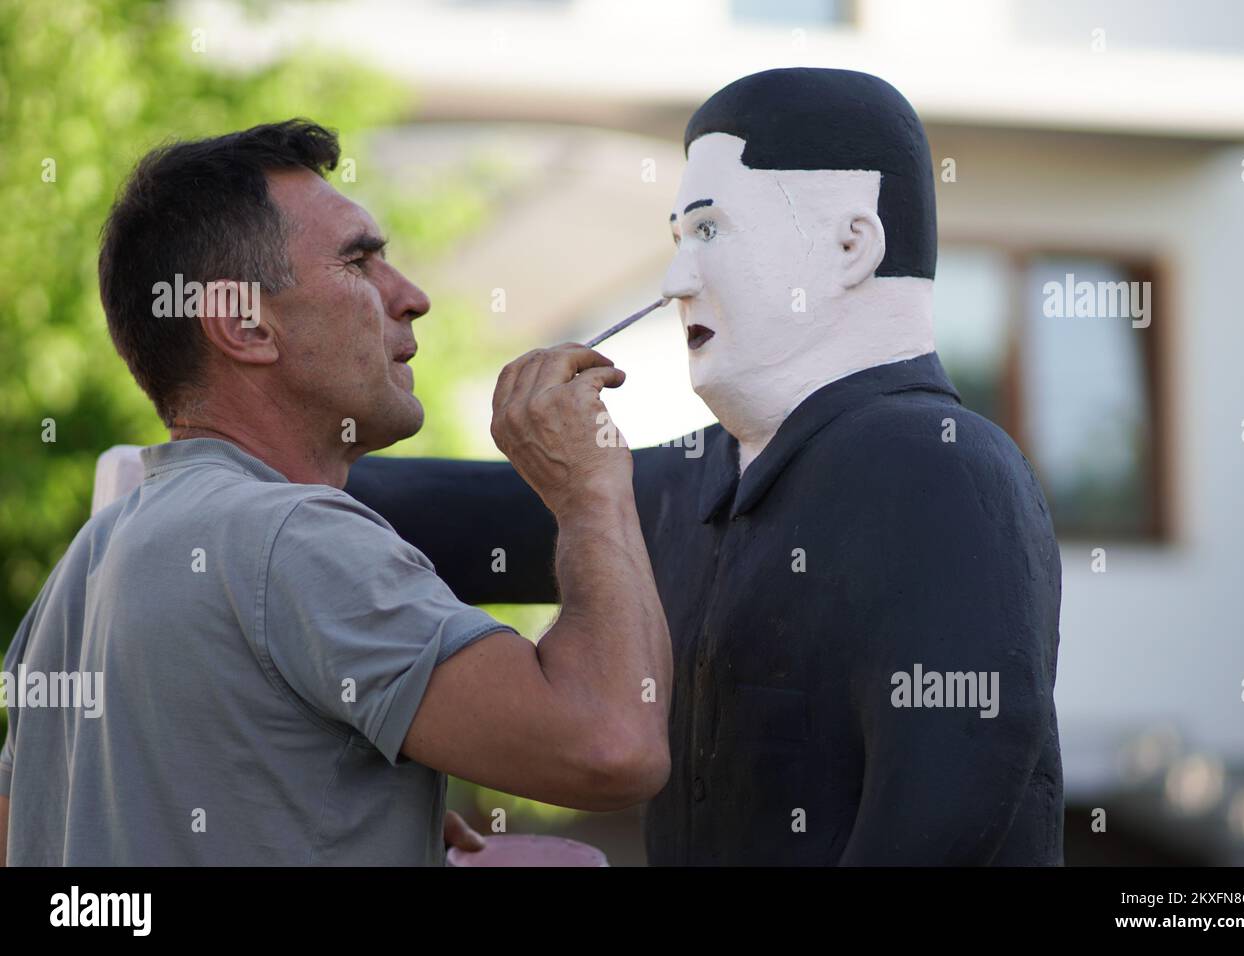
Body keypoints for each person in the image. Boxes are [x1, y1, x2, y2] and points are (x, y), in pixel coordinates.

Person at [346, 69, 1065, 865]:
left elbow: (944, 815)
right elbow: (429, 516)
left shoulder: (940, 469)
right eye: (677, 240)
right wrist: (229, 467)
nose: (676, 281)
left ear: (852, 245)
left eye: (711, 231)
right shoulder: (697, 478)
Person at [0, 120, 671, 865]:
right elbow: (612, 745)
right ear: (245, 325)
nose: (411, 297)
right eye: (360, 263)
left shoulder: (88, 561)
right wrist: (590, 491)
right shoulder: (293, 533)